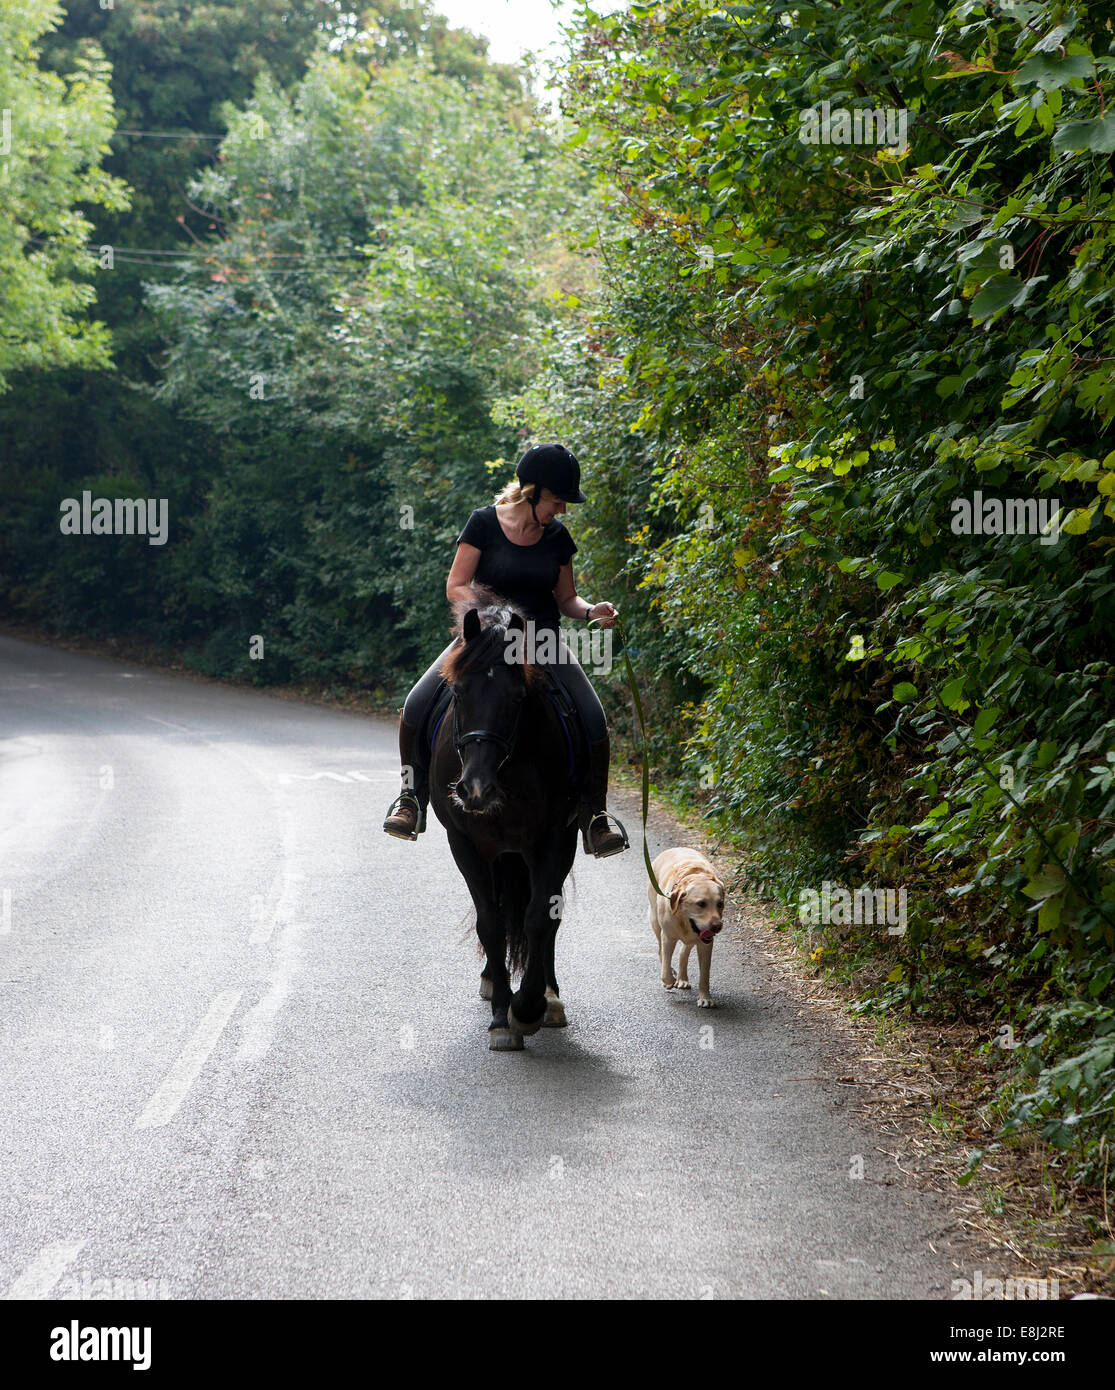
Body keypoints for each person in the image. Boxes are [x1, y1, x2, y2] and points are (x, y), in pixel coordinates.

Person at [383, 442, 629, 858]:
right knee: (416, 704)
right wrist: (490, 615)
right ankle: (411, 799)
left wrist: (591, 612)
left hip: (543, 642)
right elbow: (456, 585)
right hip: (483, 641)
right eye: (557, 500)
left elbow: (567, 599)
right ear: (531, 492)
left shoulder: (557, 538)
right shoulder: (482, 524)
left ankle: (595, 816)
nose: (562, 510)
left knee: (593, 717)